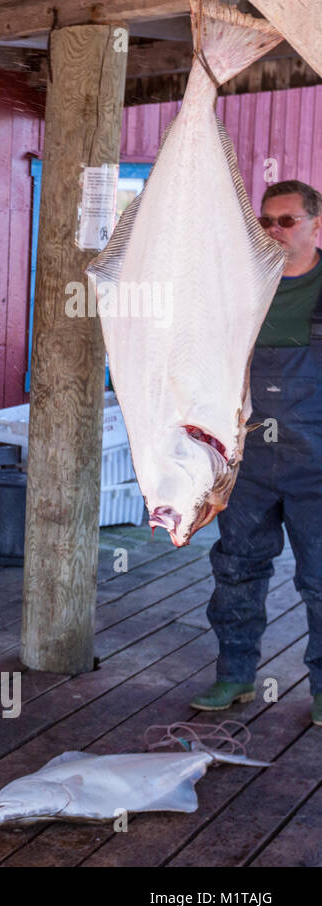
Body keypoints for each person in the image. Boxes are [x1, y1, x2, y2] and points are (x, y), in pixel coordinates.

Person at [193, 179, 322, 727]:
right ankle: (235, 676)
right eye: (265, 222)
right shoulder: (240, 287)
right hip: (248, 460)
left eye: (287, 221)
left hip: (317, 461)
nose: (274, 231)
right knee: (237, 569)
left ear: (317, 226)